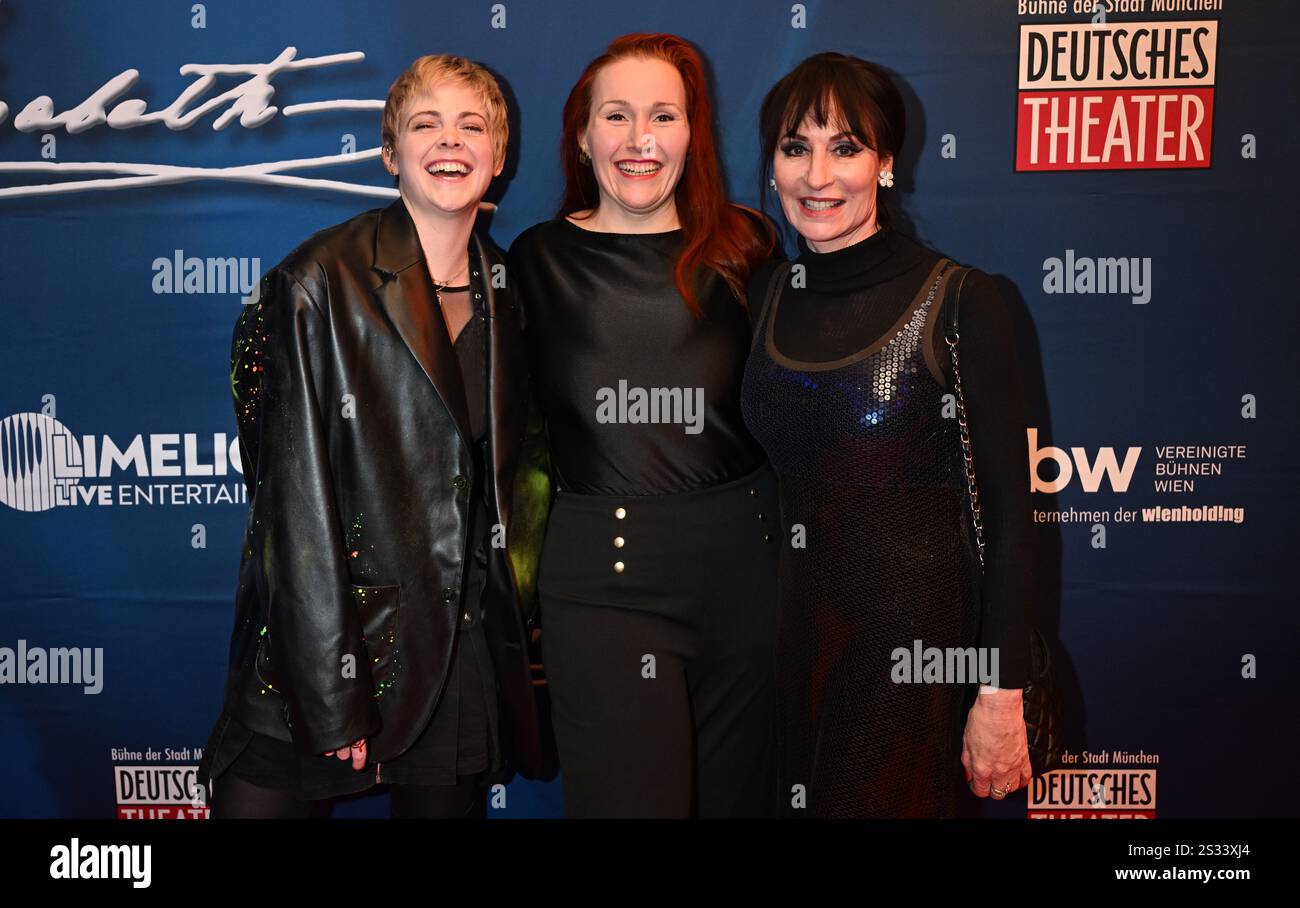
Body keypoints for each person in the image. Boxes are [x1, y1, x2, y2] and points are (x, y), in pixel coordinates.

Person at [195, 54, 545, 818]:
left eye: (471, 125)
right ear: (391, 153)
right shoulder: (317, 281)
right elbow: (292, 508)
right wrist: (331, 689)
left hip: (453, 652)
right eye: (426, 124)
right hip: (323, 649)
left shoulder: (511, 292)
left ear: (499, 155)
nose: (450, 142)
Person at [740, 52, 1034, 818]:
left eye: (846, 148)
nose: (817, 176)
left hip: (916, 656)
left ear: (886, 163)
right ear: (770, 165)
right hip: (792, 648)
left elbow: (1011, 519)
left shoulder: (964, 301)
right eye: (795, 147)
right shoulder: (768, 291)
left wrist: (1000, 694)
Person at [507, 33, 782, 818]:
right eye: (617, 116)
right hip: (604, 584)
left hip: (748, 577)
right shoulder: (538, 260)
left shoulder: (747, 244)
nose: (640, 139)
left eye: (664, 115)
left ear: (692, 134)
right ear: (584, 137)